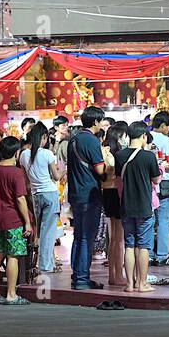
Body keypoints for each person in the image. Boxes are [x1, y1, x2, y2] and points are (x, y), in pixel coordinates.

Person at [0, 136, 33, 305]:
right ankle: (11, 294)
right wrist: (27, 221)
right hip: (13, 221)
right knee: (13, 256)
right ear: (16, 152)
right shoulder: (16, 173)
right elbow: (20, 199)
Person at [116, 121, 161, 293]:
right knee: (143, 246)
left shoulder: (120, 156)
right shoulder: (148, 156)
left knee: (129, 244)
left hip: (126, 205)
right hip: (143, 206)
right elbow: (156, 179)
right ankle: (142, 284)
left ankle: (129, 284)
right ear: (143, 136)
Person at [63, 107, 106, 290]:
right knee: (86, 238)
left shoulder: (74, 139)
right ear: (95, 122)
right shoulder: (91, 140)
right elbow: (100, 169)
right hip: (90, 194)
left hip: (75, 193)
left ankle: (77, 276)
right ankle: (82, 278)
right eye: (102, 121)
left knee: (78, 236)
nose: (103, 124)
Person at [19, 122, 62, 276]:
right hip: (50, 193)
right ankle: (45, 265)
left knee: (43, 231)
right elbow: (56, 177)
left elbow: (25, 180)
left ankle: (48, 262)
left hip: (35, 195)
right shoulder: (47, 154)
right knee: (48, 232)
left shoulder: (23, 155)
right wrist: (63, 170)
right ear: (44, 137)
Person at [147, 110, 169, 265]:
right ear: (163, 125)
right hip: (164, 184)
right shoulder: (167, 141)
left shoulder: (146, 138)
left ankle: (150, 254)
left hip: (150, 186)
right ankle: (162, 256)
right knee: (164, 221)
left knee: (150, 221)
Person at [102, 122, 128, 288]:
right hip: (116, 192)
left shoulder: (103, 149)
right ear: (119, 136)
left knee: (113, 238)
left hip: (106, 192)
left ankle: (113, 274)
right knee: (119, 239)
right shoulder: (115, 154)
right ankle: (118, 275)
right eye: (124, 135)